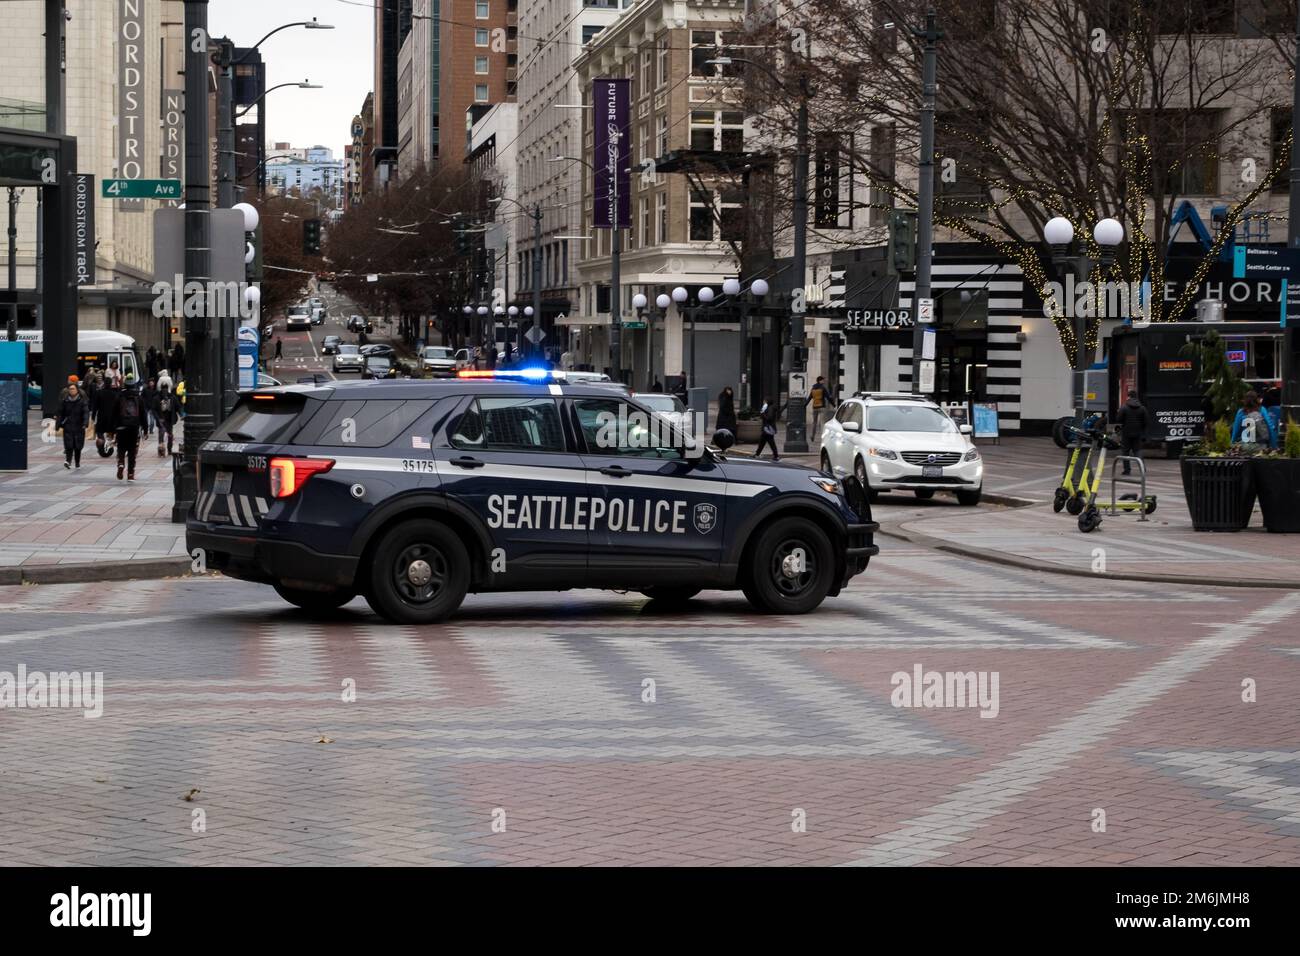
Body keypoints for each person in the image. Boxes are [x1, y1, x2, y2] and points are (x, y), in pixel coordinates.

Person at [110, 375, 148, 480]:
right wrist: (145, 429)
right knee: (132, 450)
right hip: (134, 427)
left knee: (121, 447)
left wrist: (113, 429)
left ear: (125, 384)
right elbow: (143, 414)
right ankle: (130, 473)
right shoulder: (138, 397)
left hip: (121, 426)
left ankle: (121, 463)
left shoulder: (119, 396)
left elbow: (114, 413)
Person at [1114, 388, 1149, 475]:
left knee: (1125, 451)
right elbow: (1146, 421)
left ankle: (1127, 470)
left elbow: (1118, 419)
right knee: (1137, 450)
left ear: (1128, 397)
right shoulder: (1142, 408)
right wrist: (1142, 430)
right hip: (1138, 433)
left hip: (1126, 432)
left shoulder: (1124, 407)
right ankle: (1142, 469)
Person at [56, 379, 88, 469]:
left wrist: (85, 423)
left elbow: (86, 412)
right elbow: (60, 412)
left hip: (79, 426)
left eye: (73, 389)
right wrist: (57, 424)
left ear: (77, 390)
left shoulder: (82, 401)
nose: (71, 390)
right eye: (70, 389)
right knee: (68, 445)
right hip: (68, 425)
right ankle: (68, 461)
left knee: (78, 446)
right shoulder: (65, 401)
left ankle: (77, 462)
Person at [94, 376, 121, 455]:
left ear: (104, 383)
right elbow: (118, 406)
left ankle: (102, 448)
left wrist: (93, 416)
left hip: (101, 417)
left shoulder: (99, 393)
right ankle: (109, 448)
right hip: (112, 418)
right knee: (111, 435)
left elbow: (95, 406)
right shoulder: (114, 394)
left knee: (100, 433)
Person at [155, 381, 179, 456]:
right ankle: (161, 450)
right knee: (162, 435)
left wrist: (181, 413)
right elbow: (154, 409)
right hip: (161, 419)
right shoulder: (157, 398)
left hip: (169, 419)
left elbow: (177, 406)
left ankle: (168, 449)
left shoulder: (172, 397)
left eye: (165, 389)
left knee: (169, 435)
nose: (164, 390)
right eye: (163, 389)